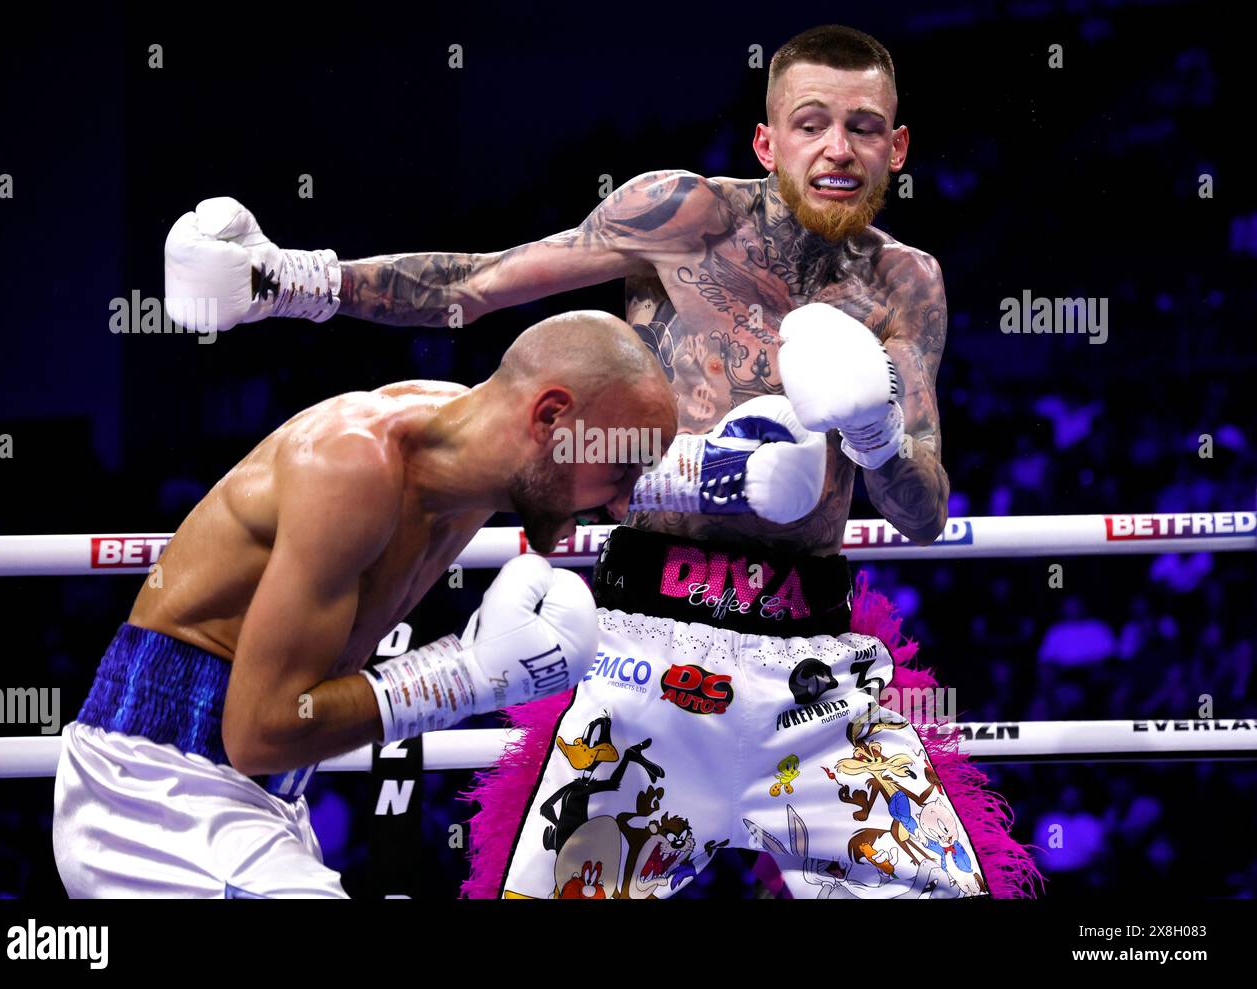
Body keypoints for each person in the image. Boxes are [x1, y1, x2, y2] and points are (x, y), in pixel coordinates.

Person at [163, 24, 1028, 898]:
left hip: (816, 673)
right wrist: (293, 281)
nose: (838, 148)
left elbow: (923, 511)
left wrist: (876, 434)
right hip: (642, 658)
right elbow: (482, 284)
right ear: (768, 141)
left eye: (864, 127)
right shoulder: (684, 217)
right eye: (812, 124)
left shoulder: (907, 283)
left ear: (898, 146)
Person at [55, 312, 690, 898]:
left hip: (265, 797)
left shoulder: (472, 466)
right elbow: (256, 733)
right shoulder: (355, 468)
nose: (618, 505)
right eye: (622, 469)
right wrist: (464, 676)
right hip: (151, 788)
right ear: (551, 417)